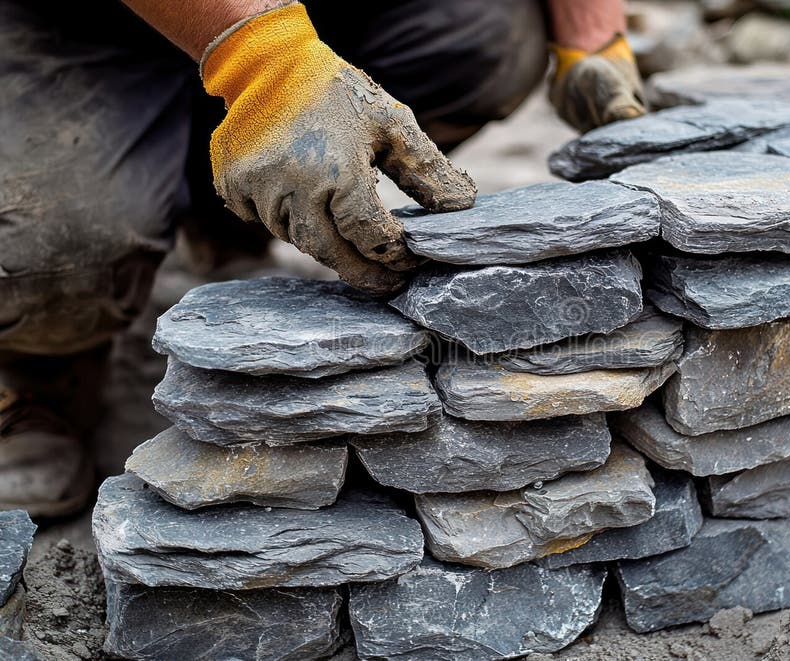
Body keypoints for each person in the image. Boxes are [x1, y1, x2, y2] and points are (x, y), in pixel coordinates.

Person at [0, 0, 646, 517]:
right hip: (68, 23)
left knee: (484, 33)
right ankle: (36, 372)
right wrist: (265, 63)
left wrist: (591, 38)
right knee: (52, 253)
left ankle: (229, 217)